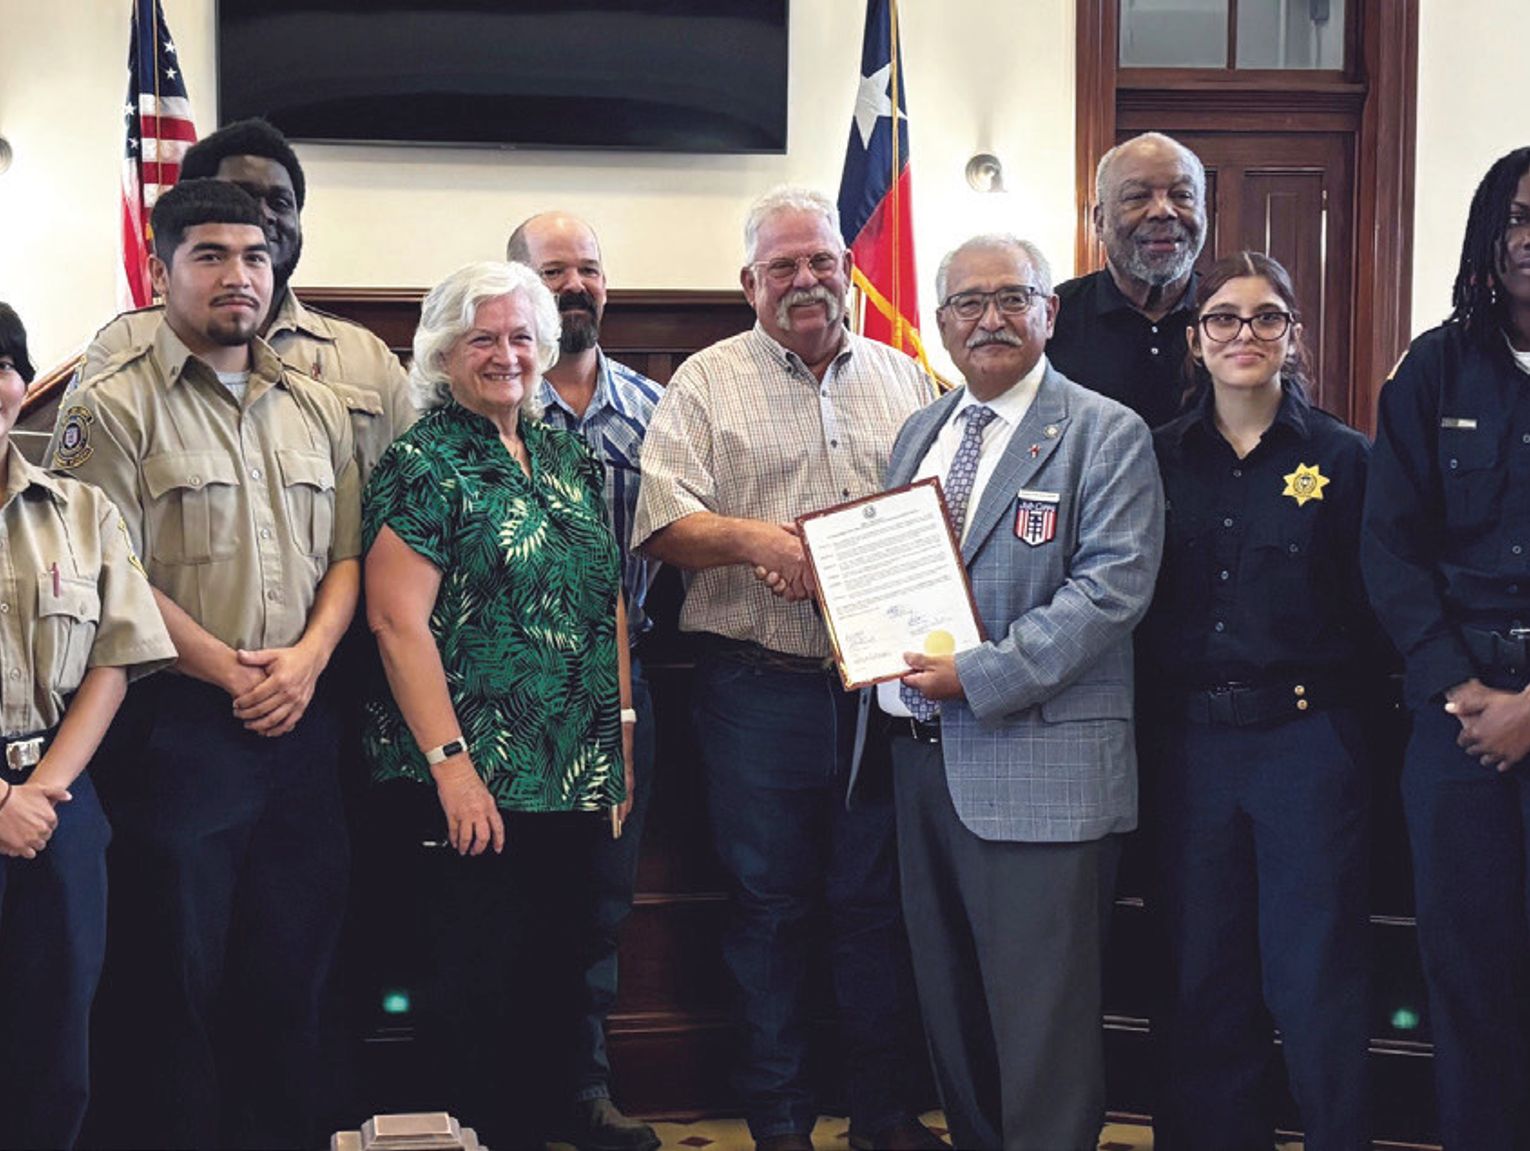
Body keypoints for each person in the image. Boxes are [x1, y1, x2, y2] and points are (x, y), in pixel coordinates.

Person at [54, 179, 361, 1149]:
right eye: (213, 255)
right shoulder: (110, 406)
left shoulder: (315, 404)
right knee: (173, 985)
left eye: (256, 256)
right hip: (176, 735)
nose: (240, 275)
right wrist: (234, 673)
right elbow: (110, 572)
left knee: (294, 973)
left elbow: (347, 557)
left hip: (301, 726)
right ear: (162, 270)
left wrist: (307, 660)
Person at [632, 186, 939, 1151]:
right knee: (770, 911)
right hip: (755, 689)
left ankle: (883, 1116)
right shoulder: (705, 382)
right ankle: (779, 1123)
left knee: (874, 906)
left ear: (848, 271)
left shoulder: (907, 377)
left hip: (881, 689)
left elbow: (938, 515)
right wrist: (763, 541)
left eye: (822, 262)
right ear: (749, 282)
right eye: (783, 267)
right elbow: (662, 523)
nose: (806, 280)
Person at [881, 234, 1163, 1150]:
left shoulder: (1104, 432)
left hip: (1042, 768)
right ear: (940, 321)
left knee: (1044, 1031)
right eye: (968, 302)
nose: (990, 319)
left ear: (1050, 312)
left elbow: (1110, 591)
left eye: (1013, 298)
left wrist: (980, 676)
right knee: (953, 1016)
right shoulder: (919, 433)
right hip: (920, 766)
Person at [363, 260, 635, 1151]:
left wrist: (619, 745)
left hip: (571, 773)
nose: (506, 355)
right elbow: (396, 622)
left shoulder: (565, 454)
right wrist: (453, 770)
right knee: (475, 996)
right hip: (469, 779)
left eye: (522, 336)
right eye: (482, 338)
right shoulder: (422, 461)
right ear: (444, 353)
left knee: (556, 988)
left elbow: (605, 601)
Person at [1141, 252, 1381, 1151]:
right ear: (1196, 340)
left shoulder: (1345, 459)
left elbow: (1377, 612)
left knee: (1314, 978)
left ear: (1293, 335)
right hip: (1189, 749)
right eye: (1224, 318)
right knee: (1202, 977)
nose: (1245, 333)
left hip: (1306, 745)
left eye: (1267, 316)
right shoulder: (1154, 456)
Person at [1362, 145, 1530, 1150]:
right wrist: (1462, 688)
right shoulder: (1432, 369)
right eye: (1518, 217)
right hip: (1458, 722)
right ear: (1489, 236)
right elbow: (1391, 549)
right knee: (1467, 975)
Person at [0, 303, 176, 1150]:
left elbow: (117, 657)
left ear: (23, 383)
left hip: (58, 802)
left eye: (1, 366)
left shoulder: (82, 511)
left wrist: (40, 791)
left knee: (55, 1043)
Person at [507, 211, 664, 1151]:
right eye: (554, 269)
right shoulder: (491, 403)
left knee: (601, 899)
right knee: (510, 899)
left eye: (589, 269)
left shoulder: (653, 408)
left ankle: (584, 1088)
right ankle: (509, 1100)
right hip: (504, 685)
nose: (576, 286)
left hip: (622, 679)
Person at [54, 117, 413, 483]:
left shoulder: (367, 359)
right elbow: (80, 505)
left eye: (280, 202)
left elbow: (415, 493)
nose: (264, 215)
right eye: (240, 198)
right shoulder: (124, 345)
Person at [1049, 132, 1208, 428]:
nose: (1163, 211)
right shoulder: (1052, 319)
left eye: (1182, 195)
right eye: (1137, 197)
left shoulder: (1233, 318)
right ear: (1099, 221)